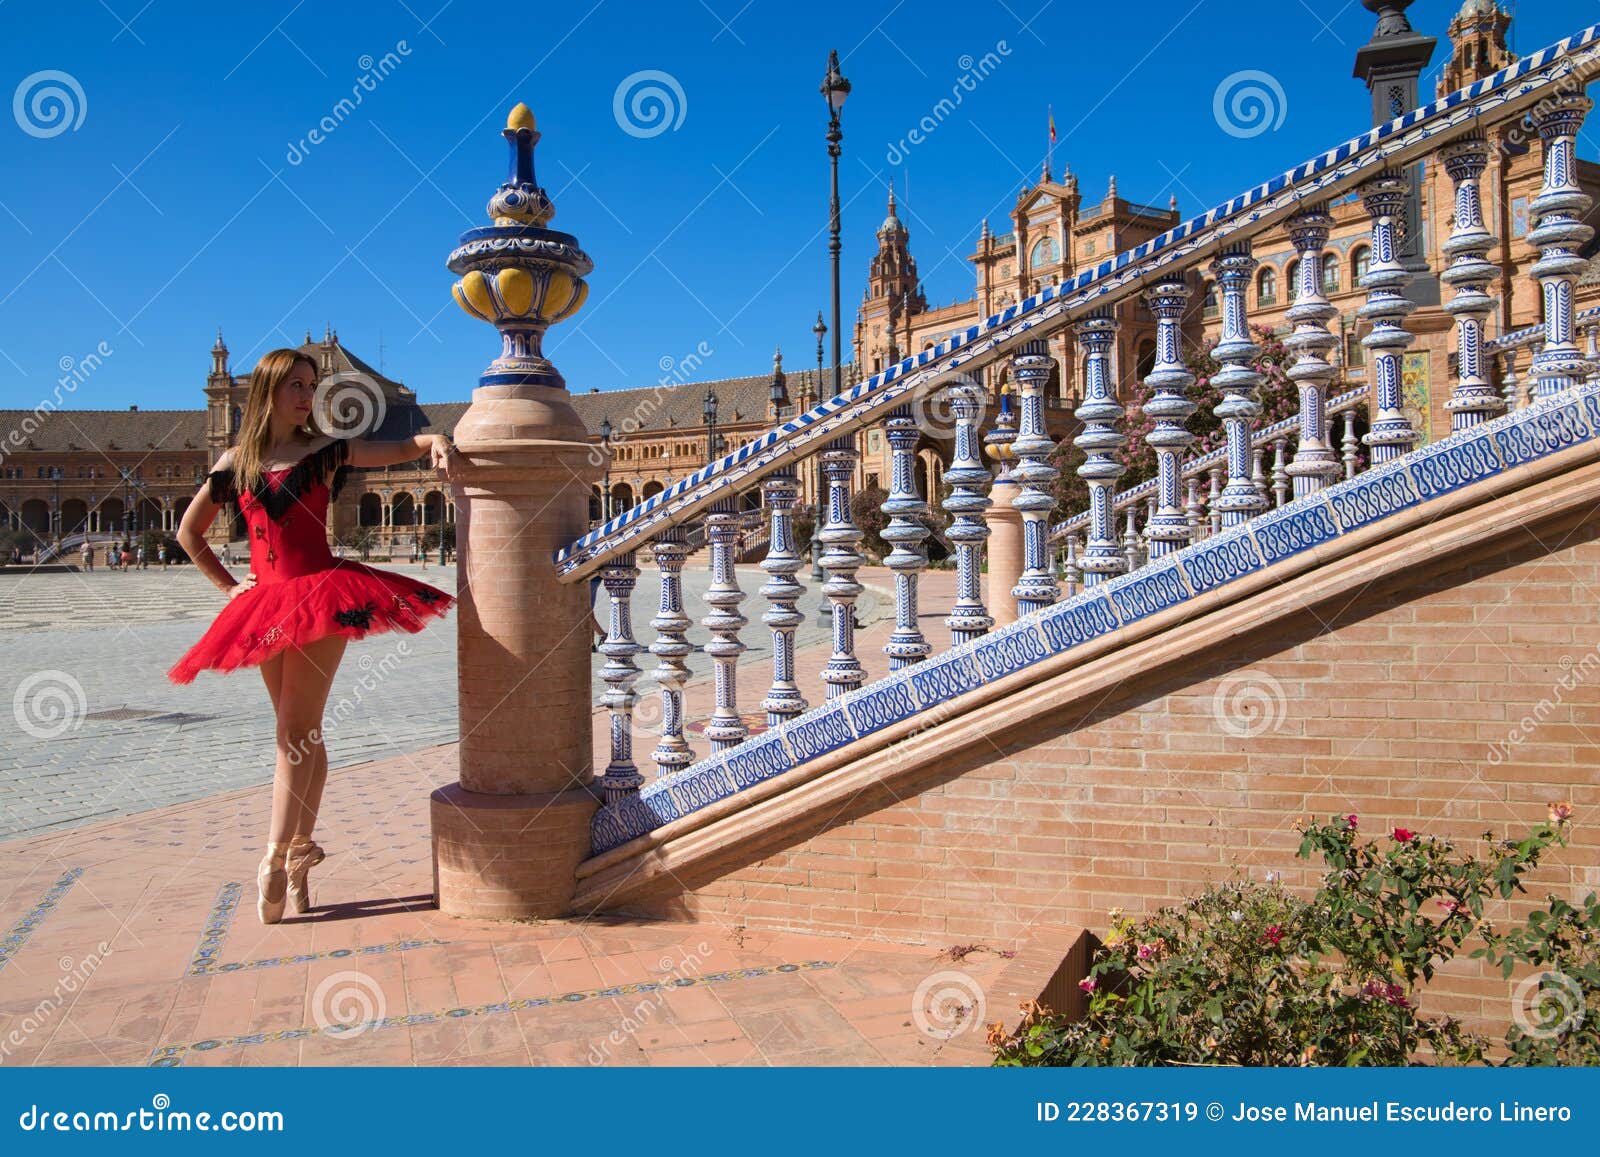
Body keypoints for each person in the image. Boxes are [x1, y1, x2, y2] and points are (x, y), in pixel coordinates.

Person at [171, 348, 457, 925]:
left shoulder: (327, 450)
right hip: (262, 603)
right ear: (267, 393)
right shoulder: (235, 462)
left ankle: (274, 858)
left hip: (320, 596)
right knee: (303, 735)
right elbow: (188, 534)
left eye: (311, 386)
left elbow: (403, 447)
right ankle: (301, 853)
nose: (306, 396)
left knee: (293, 733)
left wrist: (437, 443)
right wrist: (229, 590)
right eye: (295, 386)